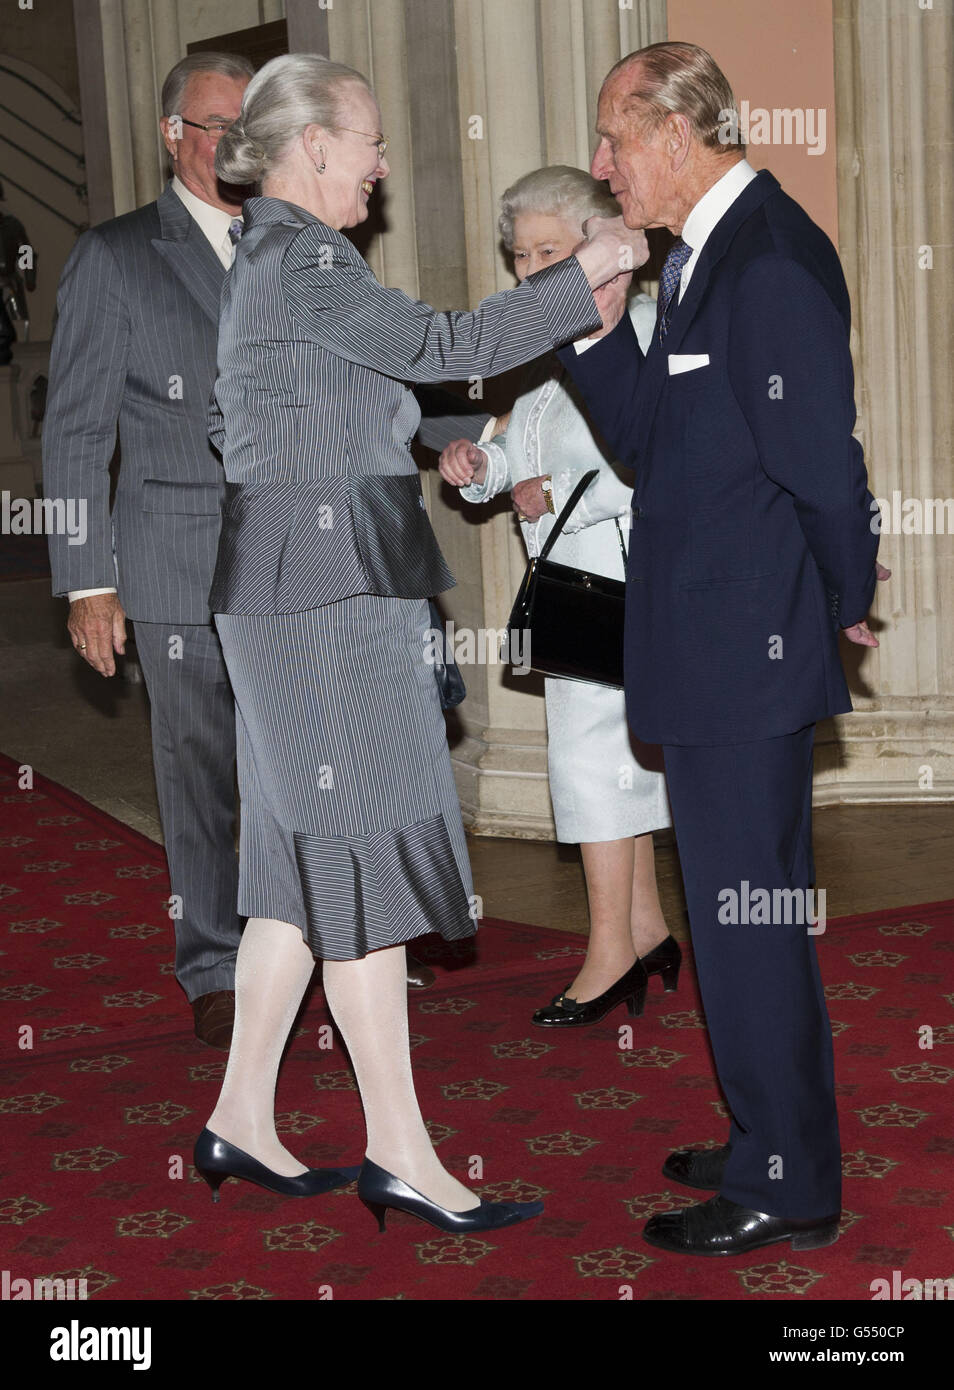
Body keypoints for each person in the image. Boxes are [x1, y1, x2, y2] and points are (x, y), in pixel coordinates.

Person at [195, 52, 646, 1232]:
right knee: (353, 857)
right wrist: (585, 271)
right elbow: (446, 339)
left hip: (305, 577)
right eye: (373, 142)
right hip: (323, 590)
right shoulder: (303, 255)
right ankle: (400, 1149)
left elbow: (285, 404)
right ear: (316, 148)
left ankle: (243, 1111)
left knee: (299, 867)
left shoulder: (268, 259)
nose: (386, 164)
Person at [556, 41, 889, 1256]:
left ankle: (791, 1182)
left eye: (613, 140)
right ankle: (766, 1138)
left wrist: (847, 594)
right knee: (743, 920)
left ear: (675, 130)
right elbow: (653, 440)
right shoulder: (695, 262)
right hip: (708, 651)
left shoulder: (772, 261)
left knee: (750, 926)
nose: (602, 167)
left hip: (745, 658)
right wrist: (597, 336)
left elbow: (821, 464)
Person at [43, 53, 255, 1049]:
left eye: (254, 126)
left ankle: (314, 945)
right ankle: (213, 962)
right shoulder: (116, 254)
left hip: (300, 553)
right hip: (174, 560)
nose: (238, 146)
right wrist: (89, 578)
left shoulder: (298, 243)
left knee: (302, 767)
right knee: (199, 767)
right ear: (175, 134)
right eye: (219, 126)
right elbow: (75, 429)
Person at [439, 165, 676, 1028]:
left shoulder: (646, 329)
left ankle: (611, 951)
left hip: (620, 583)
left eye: (548, 250)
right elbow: (518, 453)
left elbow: (664, 461)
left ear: (599, 243)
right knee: (608, 770)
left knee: (591, 773)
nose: (532, 270)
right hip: (571, 590)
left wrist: (563, 492)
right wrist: (479, 470)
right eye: (520, 256)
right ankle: (645, 931)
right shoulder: (550, 349)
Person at [0, 181, 36, 366]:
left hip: (9, 281)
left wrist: (29, 276)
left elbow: (26, 251)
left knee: (14, 327)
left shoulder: (12, 226)